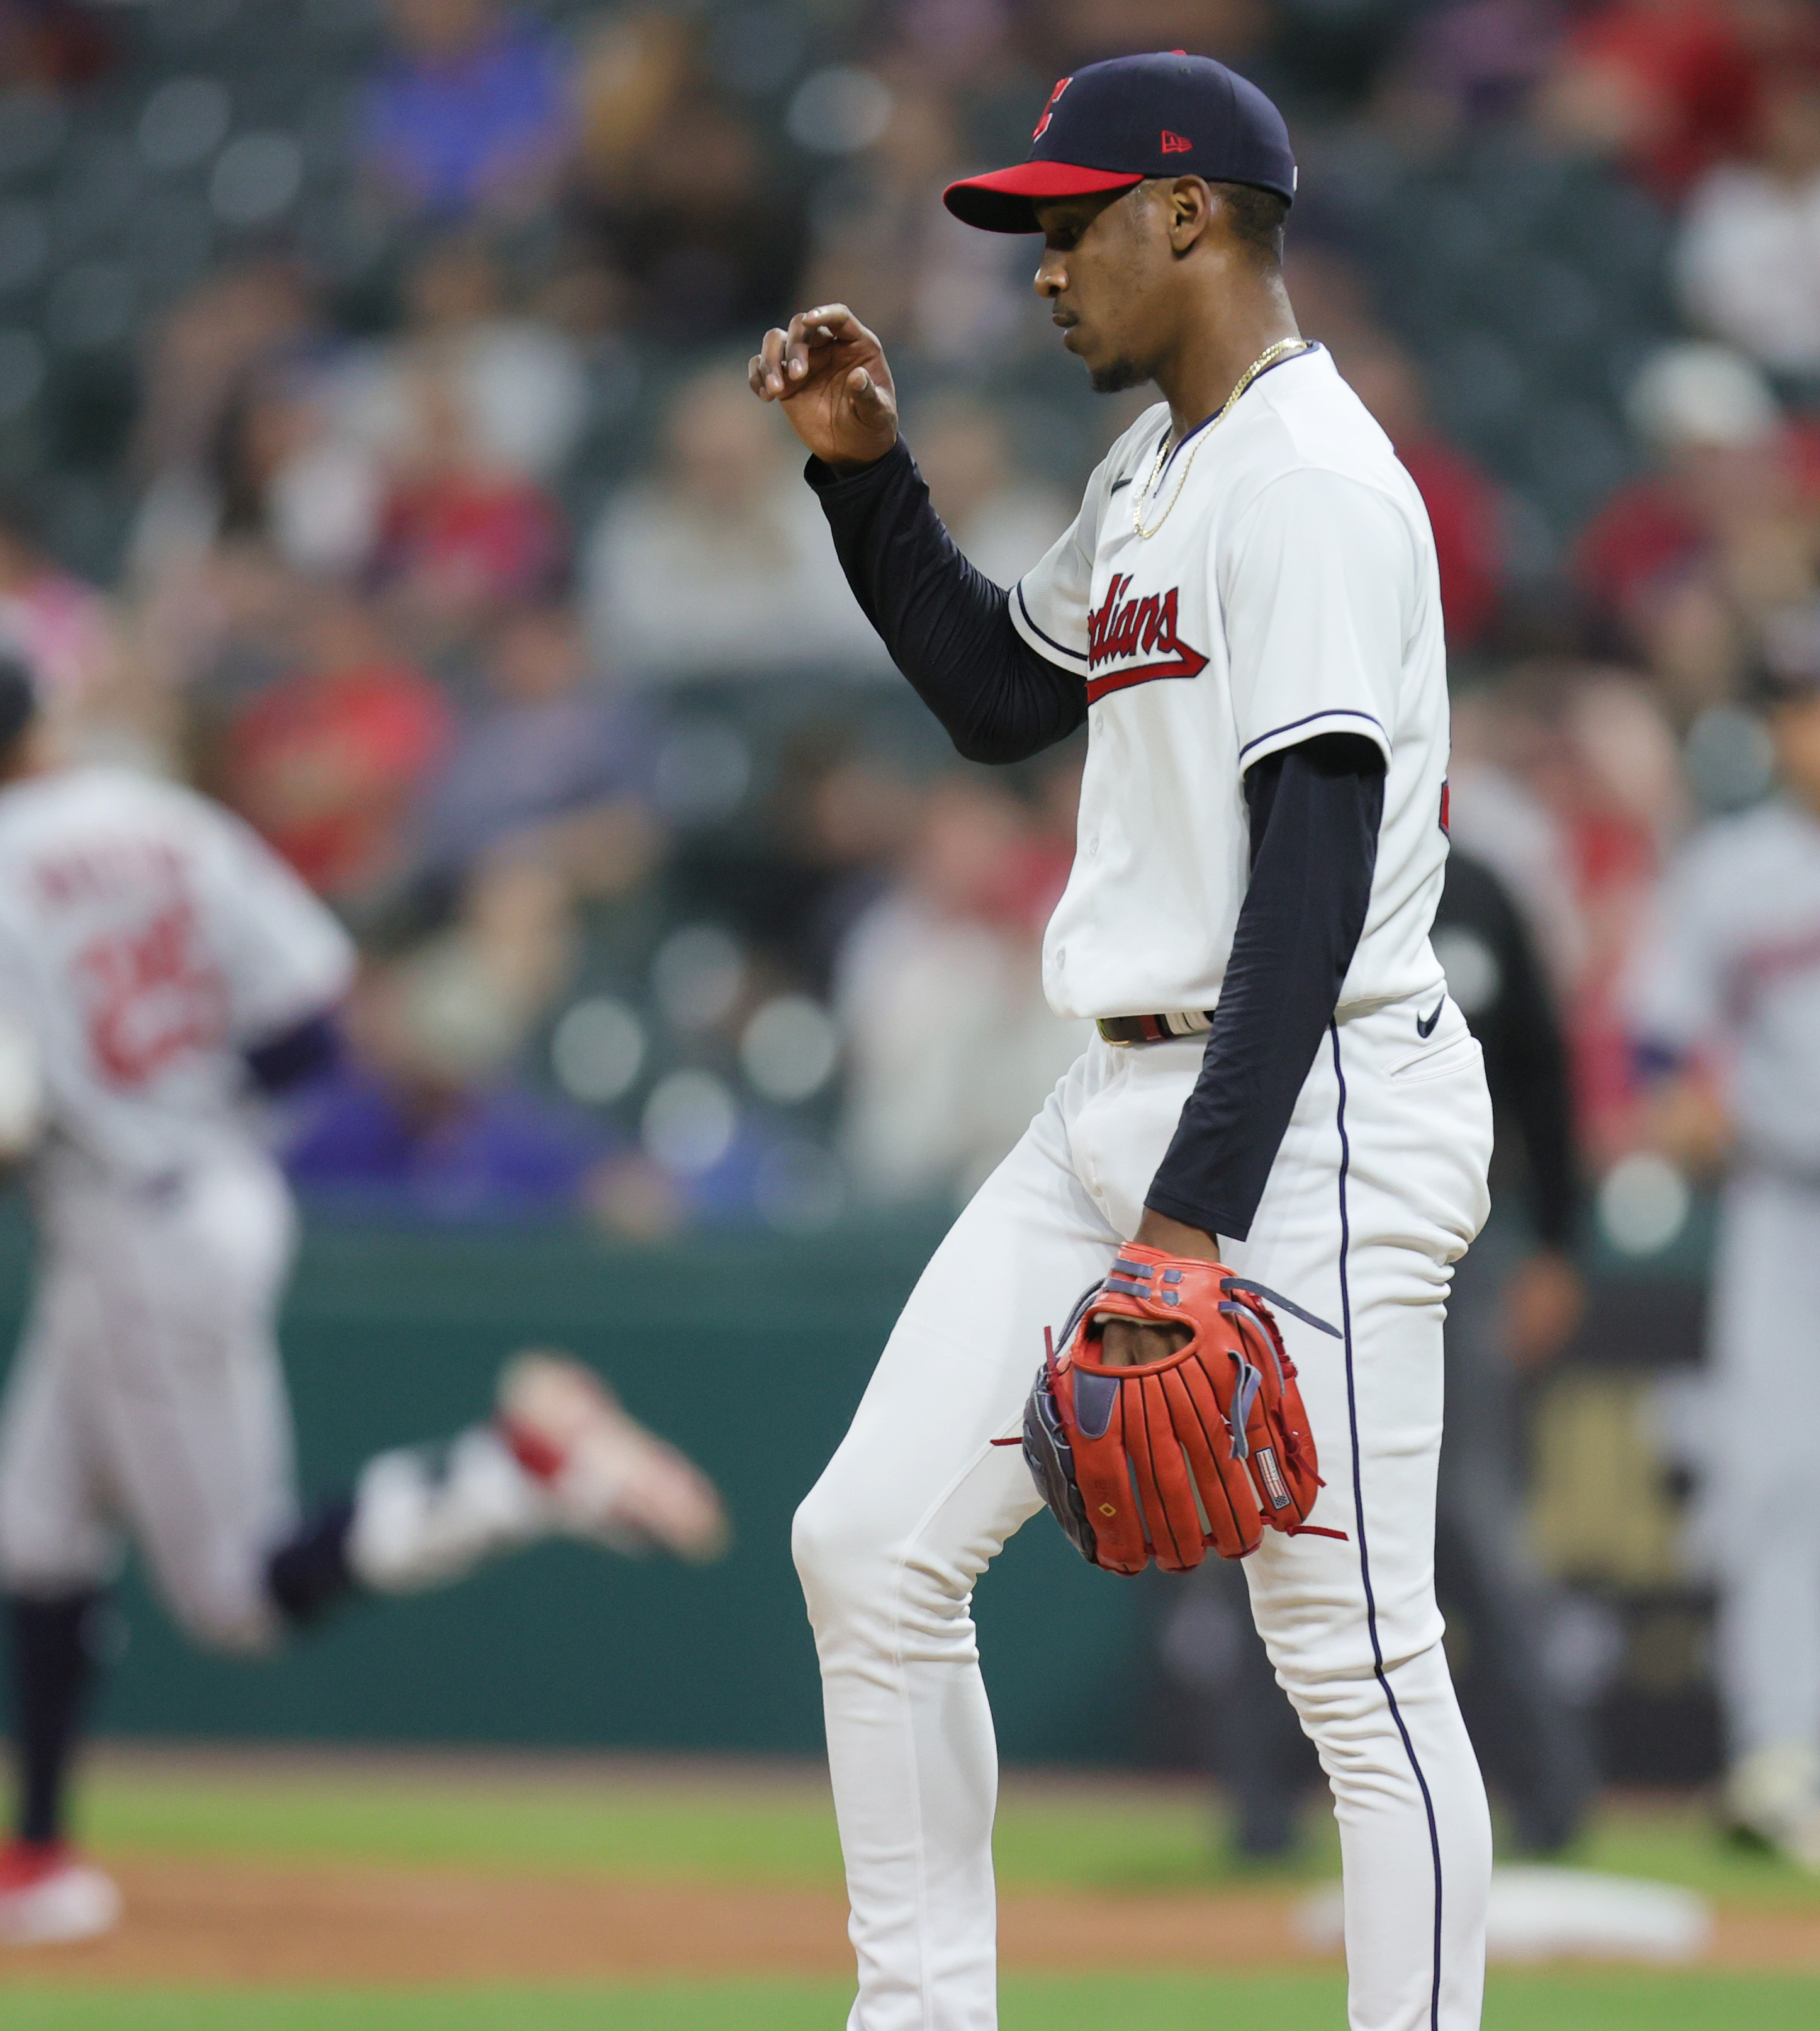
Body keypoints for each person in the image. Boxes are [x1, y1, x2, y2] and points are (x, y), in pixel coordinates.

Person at [753, 52, 1495, 2030]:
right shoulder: (1161, 467)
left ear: (1189, 215)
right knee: (870, 1545)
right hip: (1130, 1094)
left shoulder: (1316, 483)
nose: (1041, 266)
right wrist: (862, 469)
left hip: (1310, 1103)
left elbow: (1316, 874)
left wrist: (1194, 1215)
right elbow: (1008, 695)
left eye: (1069, 223)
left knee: (1354, 1660)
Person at [0, 622, 727, 1947]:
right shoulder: (165, 818)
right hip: (204, 1196)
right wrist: (190, 1109)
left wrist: (3, 1155)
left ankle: (522, 1473)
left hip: (139, 1228)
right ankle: (37, 1856)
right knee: (31, 1520)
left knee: (240, 1598)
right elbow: (313, 1029)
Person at [1180, 846, 1594, 1864]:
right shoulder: (1269, 860)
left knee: (1466, 1517)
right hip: (1277, 1225)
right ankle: (1262, 1814)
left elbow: (1541, 1065)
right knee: (1266, 1501)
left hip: (1445, 1240)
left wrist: (1559, 1242)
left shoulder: (1483, 885)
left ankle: (1552, 1795)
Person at [1623, 619, 1820, 1872]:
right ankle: (1778, 1755)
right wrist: (1675, 1100)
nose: (1811, 730)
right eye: (1795, 706)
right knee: (1776, 1480)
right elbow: (1653, 1036)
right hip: (1781, 1202)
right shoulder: (1736, 868)